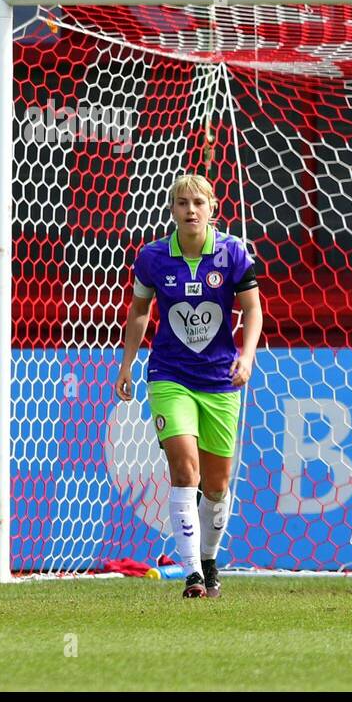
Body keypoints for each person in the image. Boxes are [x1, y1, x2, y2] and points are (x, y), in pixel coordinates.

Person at [115, 174, 262, 598]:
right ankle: (193, 573)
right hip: (169, 376)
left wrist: (246, 356)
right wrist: (127, 364)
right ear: (173, 210)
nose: (191, 210)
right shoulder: (153, 258)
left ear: (213, 208)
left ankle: (210, 559)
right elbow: (139, 311)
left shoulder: (233, 253)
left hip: (219, 380)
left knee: (216, 484)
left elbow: (252, 310)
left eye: (198, 202)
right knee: (185, 469)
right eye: (182, 203)